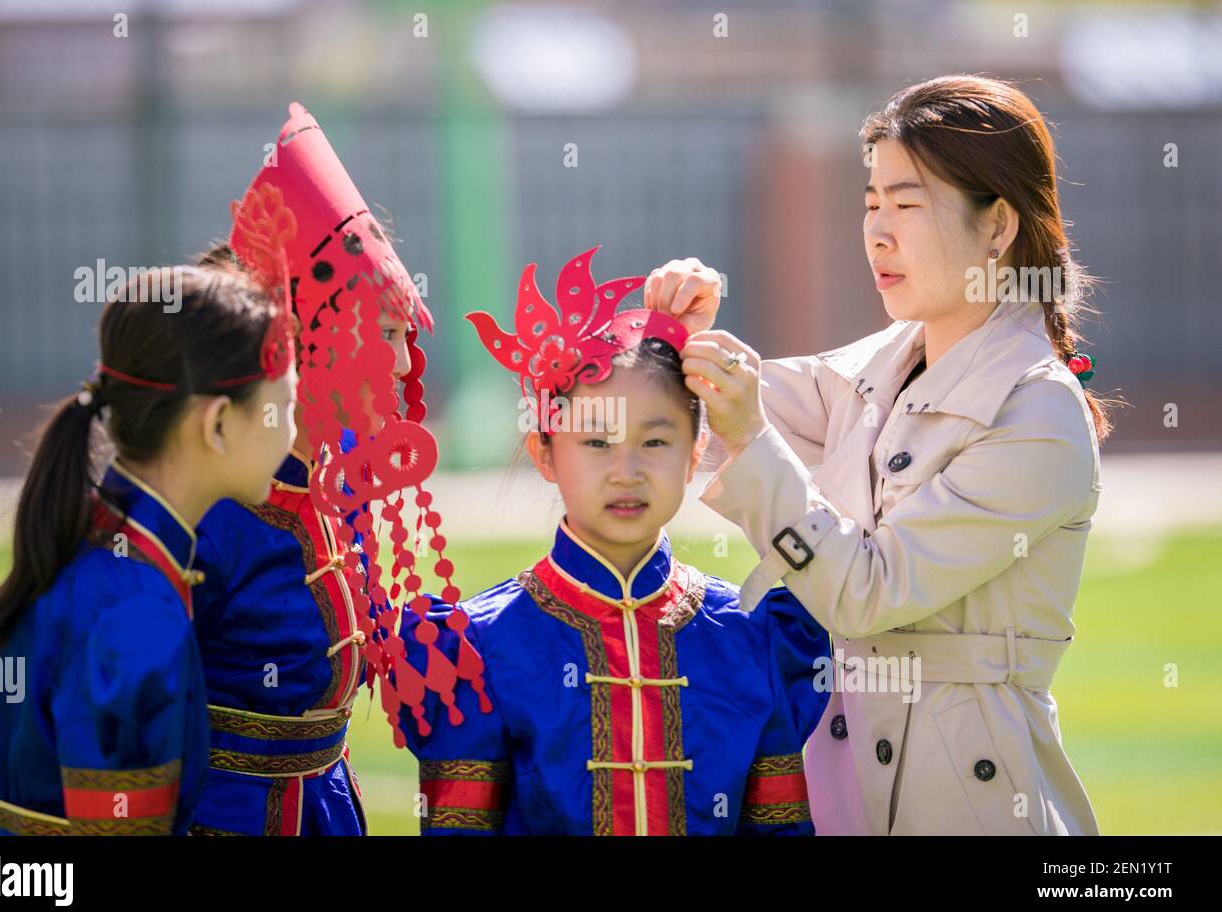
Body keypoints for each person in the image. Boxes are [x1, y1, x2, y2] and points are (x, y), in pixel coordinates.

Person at [677, 75, 1112, 835]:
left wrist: (748, 435)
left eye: (907, 204)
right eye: (872, 203)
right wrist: (675, 336)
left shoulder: (1039, 411)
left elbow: (870, 594)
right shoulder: (878, 363)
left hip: (970, 798)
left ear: (998, 224)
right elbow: (696, 412)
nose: (878, 232)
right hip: (826, 781)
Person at [397, 248, 830, 835]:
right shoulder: (482, 646)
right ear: (545, 454)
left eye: (655, 443)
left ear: (696, 452)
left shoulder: (750, 637)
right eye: (597, 444)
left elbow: (778, 823)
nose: (626, 471)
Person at [186, 102, 473, 835]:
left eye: (407, 336)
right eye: (384, 333)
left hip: (328, 809)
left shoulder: (338, 486)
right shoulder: (212, 511)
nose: (406, 361)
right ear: (302, 339)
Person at [0, 264, 298, 835]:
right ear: (217, 425)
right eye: (283, 409)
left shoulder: (94, 535)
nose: (292, 432)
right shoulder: (137, 611)